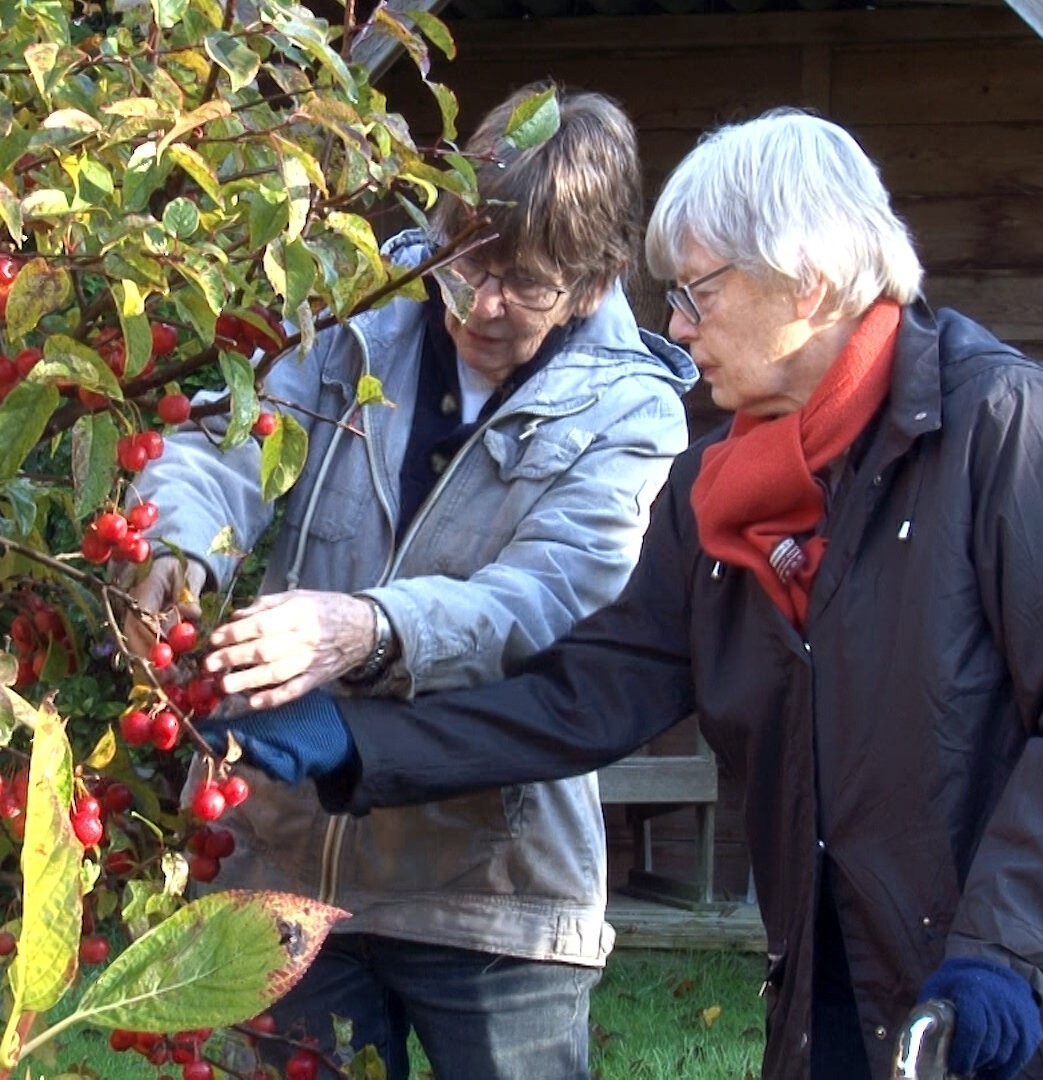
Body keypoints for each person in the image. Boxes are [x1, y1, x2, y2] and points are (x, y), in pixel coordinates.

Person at [206, 108, 1043, 1080]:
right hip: (845, 981)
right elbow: (587, 698)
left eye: (698, 293)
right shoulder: (721, 492)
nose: (678, 327)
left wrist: (1005, 953)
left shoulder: (1006, 427)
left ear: (808, 283)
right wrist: (355, 741)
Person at [126, 84, 695, 1079]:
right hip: (284, 854)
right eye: (466, 259)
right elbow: (226, 442)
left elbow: (545, 599)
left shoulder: (632, 414)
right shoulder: (351, 318)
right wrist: (175, 549)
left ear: (596, 281)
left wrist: (363, 628)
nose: (481, 303)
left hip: (495, 887)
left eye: (525, 283)